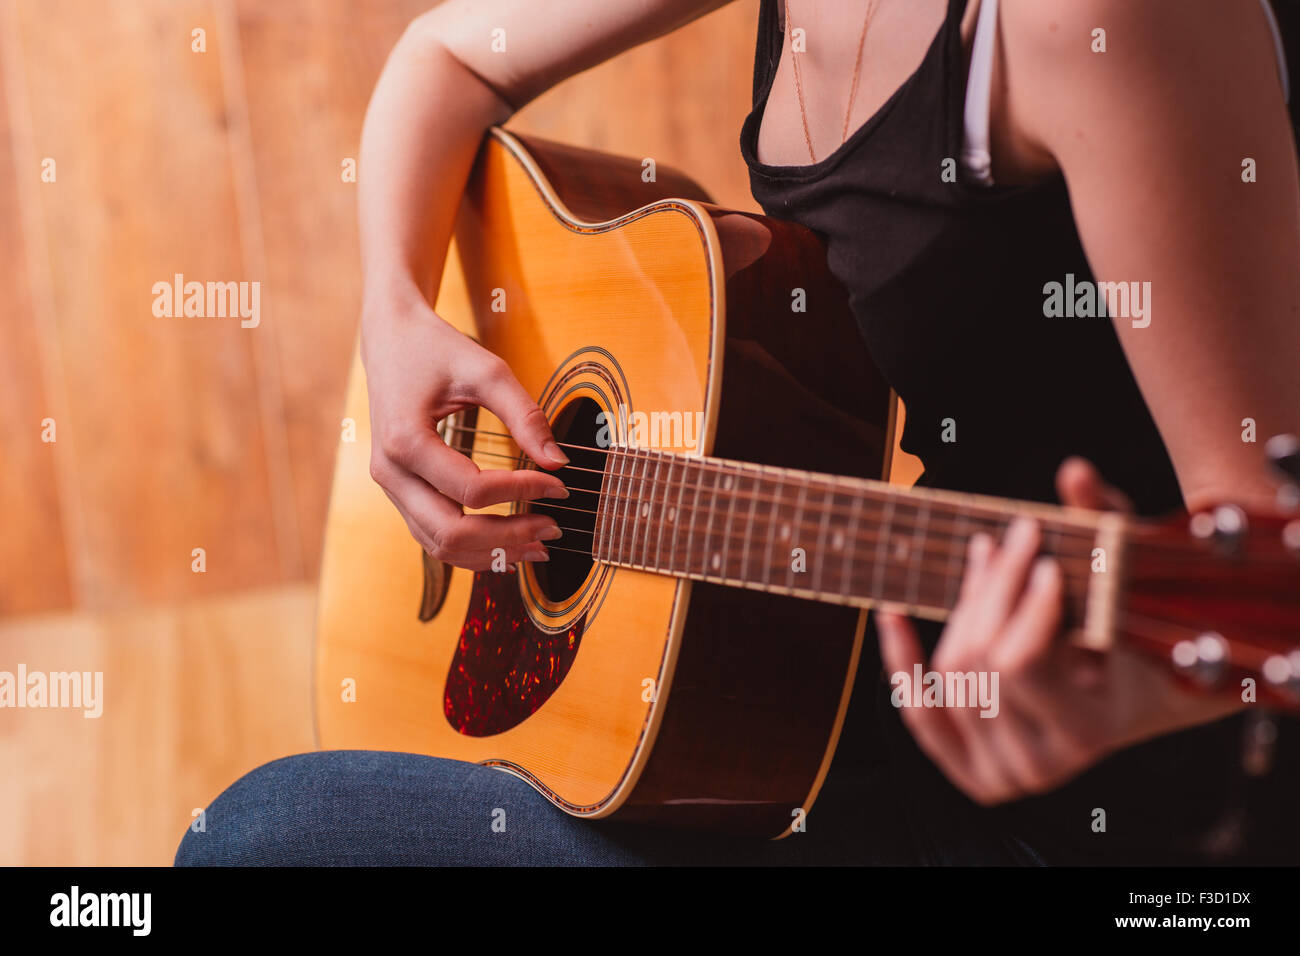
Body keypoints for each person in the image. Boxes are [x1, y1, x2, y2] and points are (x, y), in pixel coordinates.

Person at [177, 0, 1300, 866]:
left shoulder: (1095, 22)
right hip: (806, 703)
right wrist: (397, 312)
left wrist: (1128, 699)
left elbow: (1277, 566)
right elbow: (445, 56)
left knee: (264, 838)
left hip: (1091, 818)